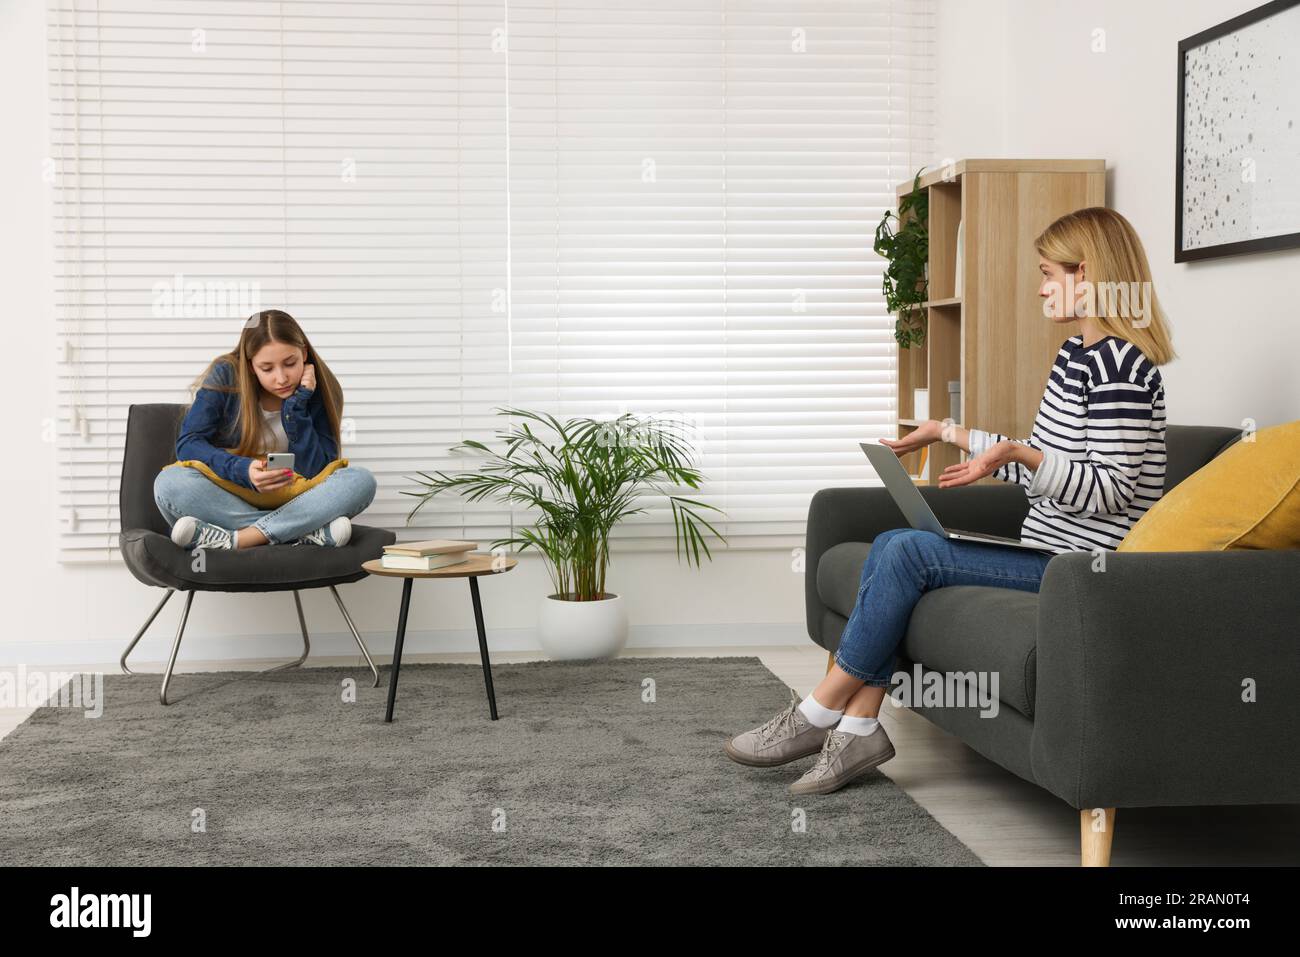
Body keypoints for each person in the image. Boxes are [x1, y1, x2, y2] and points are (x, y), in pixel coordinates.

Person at [725, 207, 1177, 795]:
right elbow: (1042, 457)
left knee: (907, 554)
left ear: (1087, 273)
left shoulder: (1121, 367)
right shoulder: (1075, 358)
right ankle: (859, 724)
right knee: (894, 545)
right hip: (1047, 551)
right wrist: (948, 433)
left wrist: (1020, 456)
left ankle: (820, 710)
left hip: (1081, 573)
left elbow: (1109, 490)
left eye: (1048, 273)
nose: (1041, 287)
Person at [153, 309, 377, 550]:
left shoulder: (320, 390)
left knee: (361, 481)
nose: (281, 378)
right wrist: (243, 470)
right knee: (169, 483)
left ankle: (238, 539)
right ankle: (301, 533)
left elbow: (317, 470)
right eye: (267, 369)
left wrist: (297, 405)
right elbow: (188, 444)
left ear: (304, 353)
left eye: (290, 363)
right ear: (250, 366)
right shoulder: (226, 374)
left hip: (296, 498)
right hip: (232, 497)